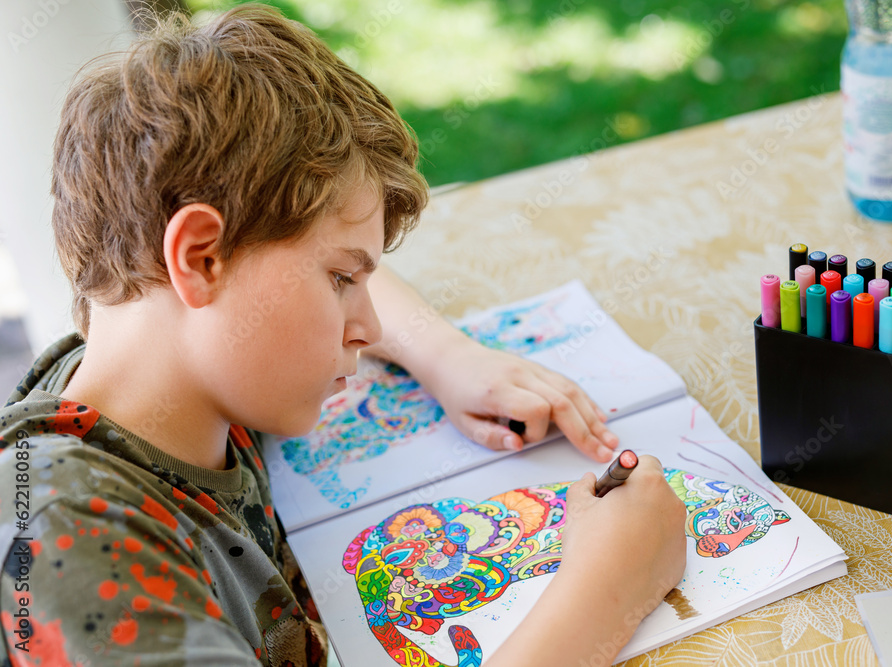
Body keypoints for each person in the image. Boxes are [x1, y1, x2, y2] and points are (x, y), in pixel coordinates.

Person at [0, 5, 686, 666]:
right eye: (339, 281)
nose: (371, 327)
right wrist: (609, 587)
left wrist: (446, 355)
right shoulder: (68, 544)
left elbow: (298, 265)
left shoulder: (161, 371)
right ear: (201, 257)